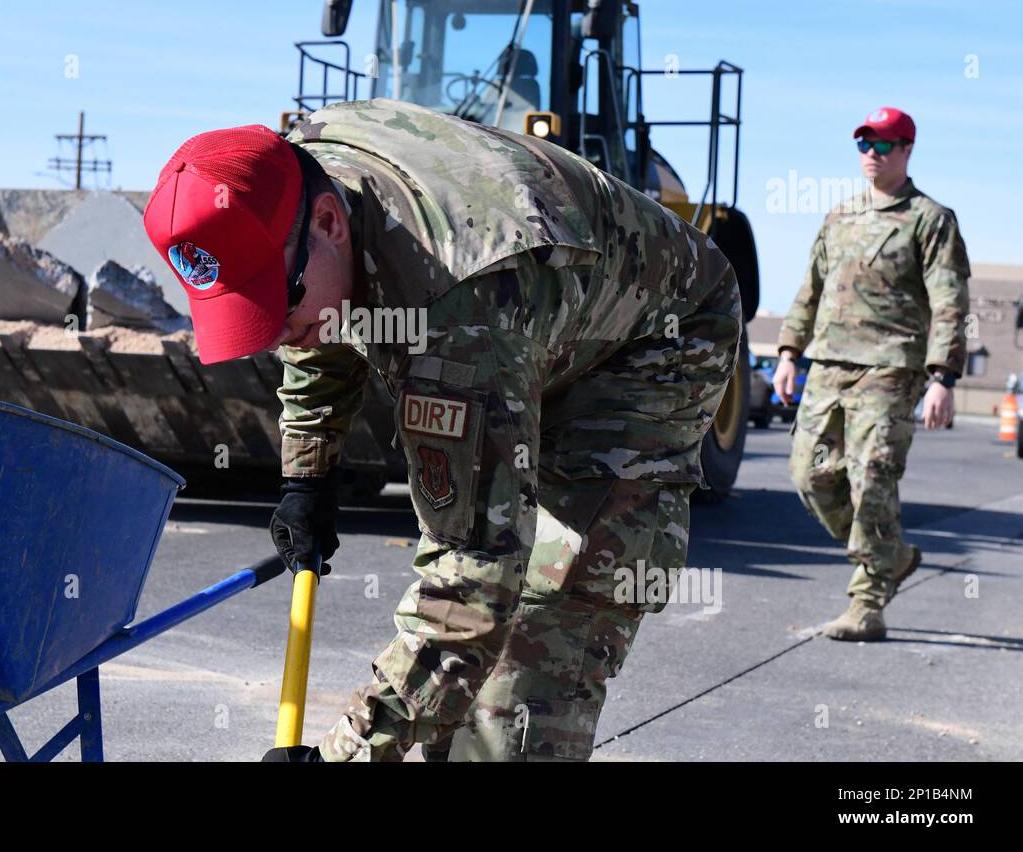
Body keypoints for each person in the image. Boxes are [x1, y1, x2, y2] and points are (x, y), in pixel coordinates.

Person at [144, 99, 742, 761]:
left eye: (275, 303)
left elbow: (475, 575)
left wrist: (346, 752)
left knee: (533, 659)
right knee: (449, 694)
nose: (277, 333)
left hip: (655, 341)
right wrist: (305, 476)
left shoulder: (453, 315)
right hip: (537, 319)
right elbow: (315, 333)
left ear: (327, 221)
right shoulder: (296, 175)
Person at [773, 107, 970, 642]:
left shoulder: (931, 220)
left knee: (872, 482)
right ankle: (892, 554)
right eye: (864, 142)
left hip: (891, 370)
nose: (870, 153)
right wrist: (789, 353)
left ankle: (867, 602)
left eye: (883, 145)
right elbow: (809, 289)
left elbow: (950, 303)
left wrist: (941, 378)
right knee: (808, 476)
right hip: (828, 367)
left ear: (907, 150)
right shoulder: (840, 217)